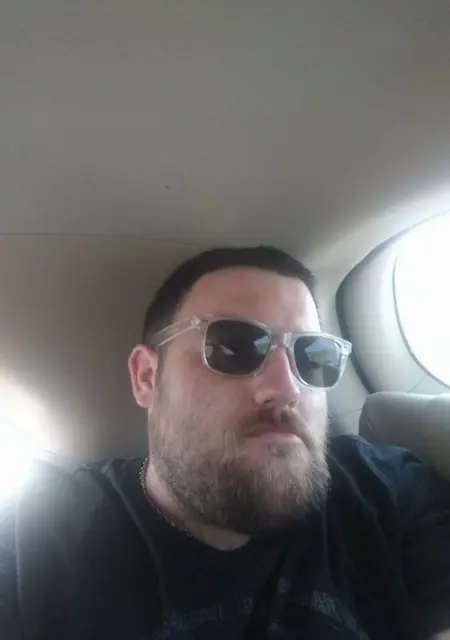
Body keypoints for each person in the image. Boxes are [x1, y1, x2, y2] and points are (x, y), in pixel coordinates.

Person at [0, 246, 449, 640]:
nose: (286, 388)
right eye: (235, 347)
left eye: (314, 357)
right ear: (147, 378)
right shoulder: (38, 541)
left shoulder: (387, 494)